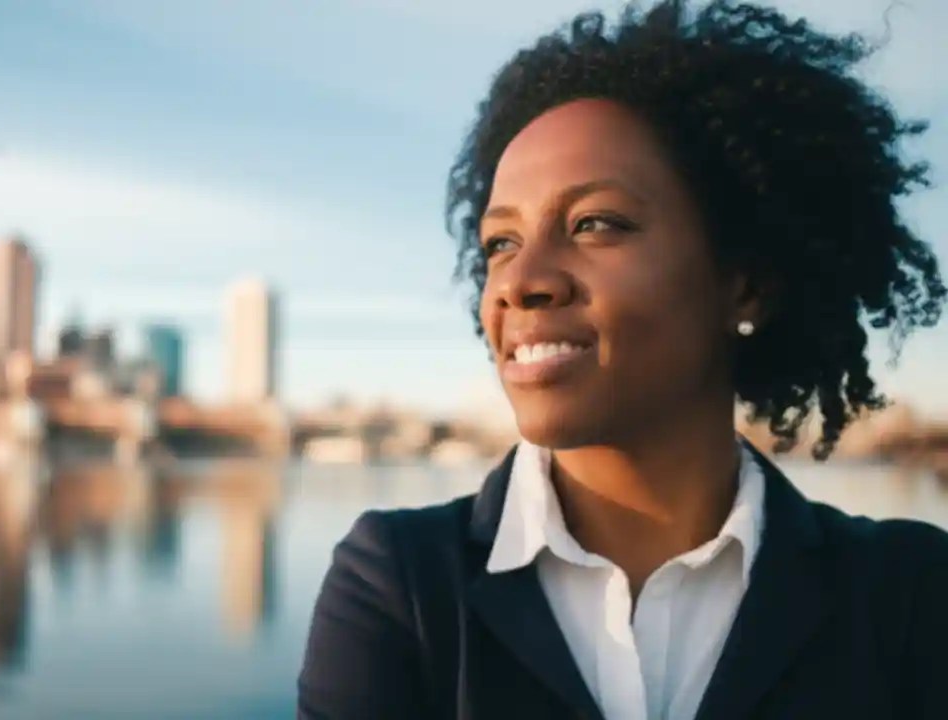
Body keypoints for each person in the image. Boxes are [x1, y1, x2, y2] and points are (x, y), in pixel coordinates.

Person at [297, 1, 948, 718]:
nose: (519, 281)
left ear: (747, 283)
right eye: (499, 244)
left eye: (595, 224)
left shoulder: (911, 593)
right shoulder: (398, 584)